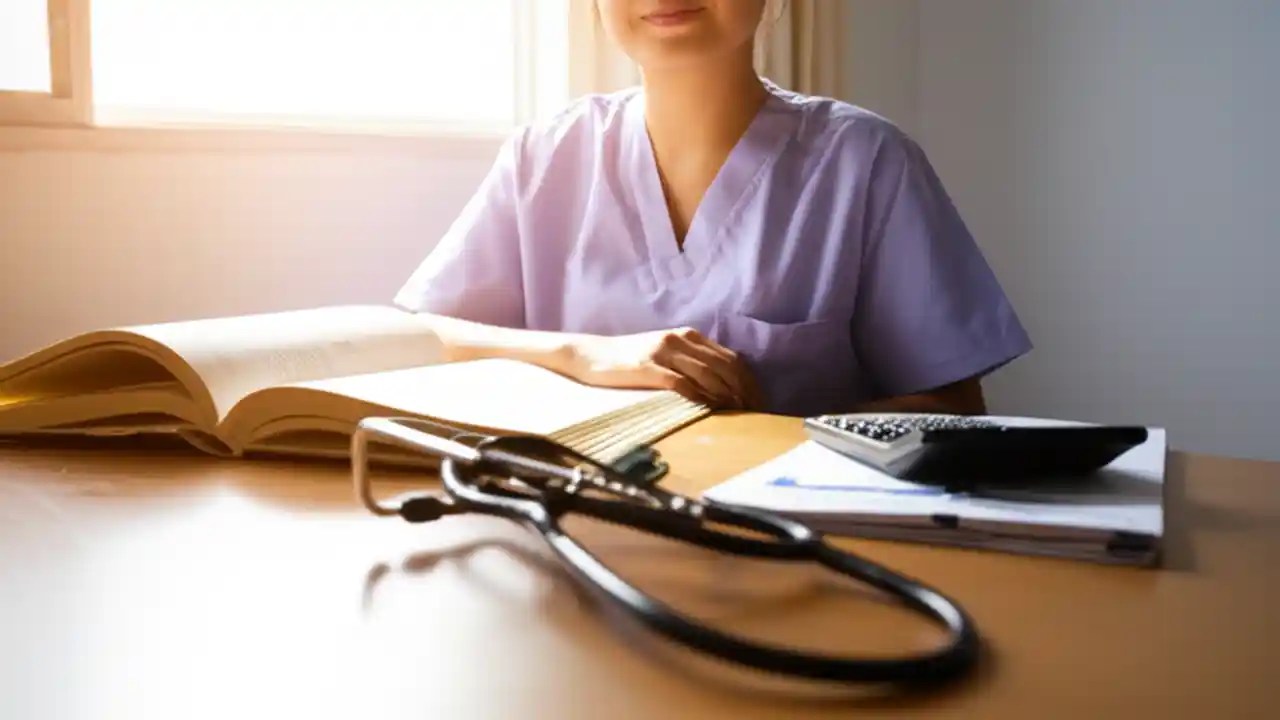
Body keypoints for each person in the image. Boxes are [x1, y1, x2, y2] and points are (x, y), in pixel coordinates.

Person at [394, 0, 1031, 417]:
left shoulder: (865, 161)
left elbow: (953, 405)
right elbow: (424, 340)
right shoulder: (543, 156)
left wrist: (772, 430)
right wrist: (583, 355)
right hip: (574, 536)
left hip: (796, 546)